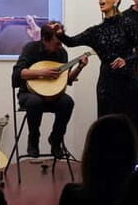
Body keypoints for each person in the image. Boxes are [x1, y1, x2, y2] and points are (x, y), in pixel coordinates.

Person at [51, 0, 138, 153]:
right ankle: (107, 165)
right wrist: (60, 33)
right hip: (107, 84)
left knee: (132, 124)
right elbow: (71, 41)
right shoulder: (96, 31)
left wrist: (126, 60)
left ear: (116, 0)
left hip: (129, 82)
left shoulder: (128, 23)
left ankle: (135, 164)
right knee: (106, 125)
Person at [12, 22, 88, 157]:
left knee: (67, 102)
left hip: (53, 96)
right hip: (29, 94)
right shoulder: (31, 49)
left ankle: (56, 140)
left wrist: (80, 67)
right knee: (35, 102)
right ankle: (33, 140)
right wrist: (42, 73)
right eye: (57, 43)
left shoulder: (61, 53)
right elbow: (18, 73)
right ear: (44, 40)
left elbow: (67, 80)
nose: (61, 46)